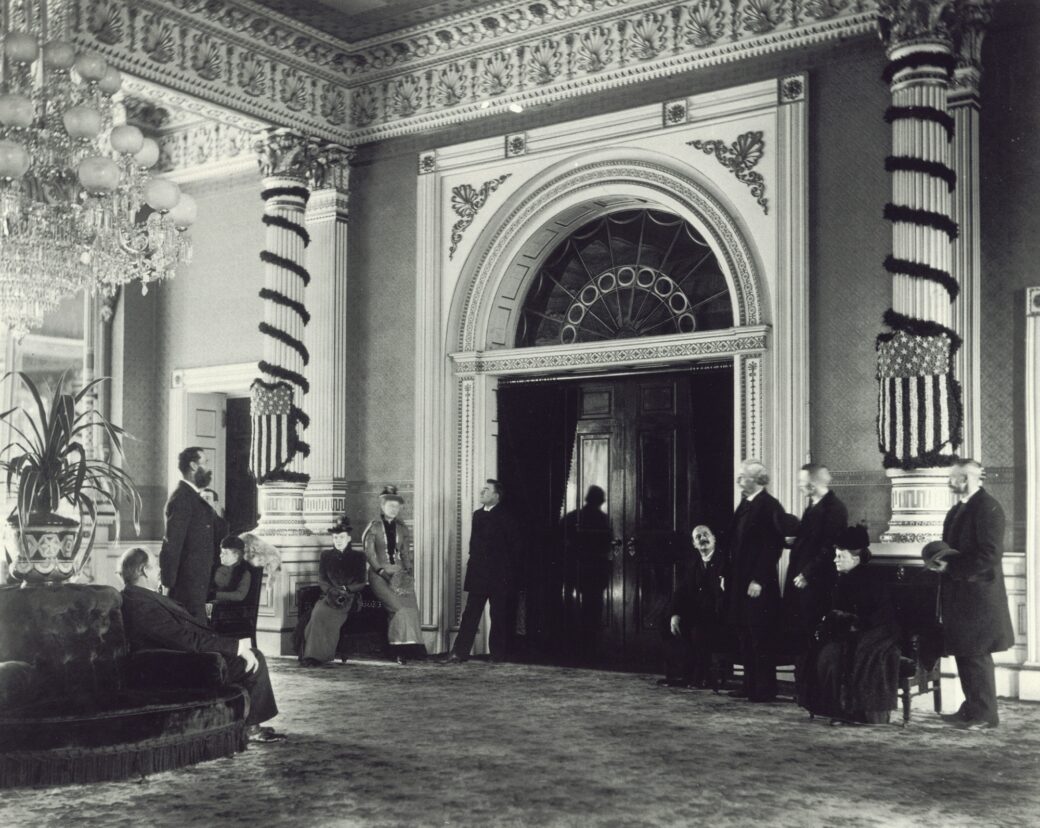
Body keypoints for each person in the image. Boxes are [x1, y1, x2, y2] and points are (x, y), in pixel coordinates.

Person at [118, 547, 285, 743]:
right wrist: (236, 647)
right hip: (181, 666)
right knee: (254, 658)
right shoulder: (140, 603)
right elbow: (184, 640)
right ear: (144, 571)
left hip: (180, 657)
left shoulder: (139, 596)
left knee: (247, 655)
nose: (159, 572)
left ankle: (240, 723)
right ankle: (250, 727)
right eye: (155, 567)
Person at [929, 459, 1014, 731]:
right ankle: (971, 709)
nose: (948, 482)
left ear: (965, 479)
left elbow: (990, 554)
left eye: (952, 478)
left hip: (978, 596)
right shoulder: (959, 509)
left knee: (976, 655)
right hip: (962, 594)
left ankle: (986, 716)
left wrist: (952, 566)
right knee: (965, 653)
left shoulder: (988, 508)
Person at [800, 525, 900, 724]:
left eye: (840, 556)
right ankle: (834, 708)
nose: (835, 560)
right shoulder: (844, 578)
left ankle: (853, 710)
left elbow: (872, 615)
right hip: (854, 629)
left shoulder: (870, 579)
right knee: (823, 650)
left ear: (855, 559)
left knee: (844, 654)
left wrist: (844, 622)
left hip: (876, 631)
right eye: (836, 555)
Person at [782, 463, 848, 701]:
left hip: (816, 584)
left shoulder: (835, 509)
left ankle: (815, 693)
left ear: (813, 483)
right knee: (803, 635)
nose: (801, 487)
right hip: (802, 582)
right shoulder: (813, 506)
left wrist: (807, 574)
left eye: (803, 483)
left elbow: (828, 548)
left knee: (813, 635)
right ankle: (805, 690)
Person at [725, 459, 786, 702]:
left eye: (744, 477)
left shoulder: (770, 505)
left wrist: (758, 580)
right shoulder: (745, 503)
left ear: (758, 480)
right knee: (744, 633)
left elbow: (773, 547)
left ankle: (764, 689)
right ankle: (749, 685)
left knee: (760, 635)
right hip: (740, 580)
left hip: (757, 584)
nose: (739, 480)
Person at [443, 479, 521, 663]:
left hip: (499, 576)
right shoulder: (477, 515)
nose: (482, 492)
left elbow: (515, 547)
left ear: (496, 495)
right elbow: (474, 545)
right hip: (478, 574)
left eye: (486, 490)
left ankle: (497, 655)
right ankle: (459, 653)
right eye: (482, 489)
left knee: (498, 615)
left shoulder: (506, 516)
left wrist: (505, 572)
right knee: (470, 614)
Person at [363, 486, 427, 663]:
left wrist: (408, 573)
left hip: (399, 575)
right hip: (379, 576)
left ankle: (413, 650)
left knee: (411, 608)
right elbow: (369, 554)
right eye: (390, 505)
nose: (394, 508)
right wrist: (382, 572)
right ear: (382, 506)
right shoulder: (374, 527)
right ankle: (397, 651)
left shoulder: (402, 528)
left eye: (396, 506)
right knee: (399, 609)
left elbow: (405, 554)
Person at [659, 525, 728, 688]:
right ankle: (681, 674)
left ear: (714, 539)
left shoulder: (725, 561)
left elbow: (726, 595)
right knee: (665, 623)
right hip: (699, 614)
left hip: (721, 615)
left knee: (699, 629)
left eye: (706, 535)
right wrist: (675, 614)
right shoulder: (693, 564)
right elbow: (681, 592)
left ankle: (701, 677)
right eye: (698, 537)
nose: (703, 539)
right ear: (694, 544)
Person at [160, 447, 219, 622]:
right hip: (187, 585)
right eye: (205, 463)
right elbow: (172, 544)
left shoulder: (192, 497)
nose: (209, 468)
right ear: (193, 466)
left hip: (197, 583)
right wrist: (168, 584)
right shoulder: (182, 498)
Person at [300, 515, 368, 667]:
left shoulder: (359, 557)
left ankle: (317, 656)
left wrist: (345, 589)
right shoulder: (326, 555)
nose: (338, 540)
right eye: (336, 537)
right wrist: (331, 591)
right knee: (317, 614)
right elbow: (322, 580)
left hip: (348, 598)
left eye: (342, 537)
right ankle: (312, 655)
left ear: (349, 538)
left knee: (326, 616)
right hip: (328, 596)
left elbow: (361, 583)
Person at [208, 535, 253, 630]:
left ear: (236, 555)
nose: (220, 555)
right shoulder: (215, 569)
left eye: (225, 553)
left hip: (231, 614)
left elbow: (239, 596)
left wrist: (215, 595)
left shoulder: (244, 573)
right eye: (221, 552)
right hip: (214, 608)